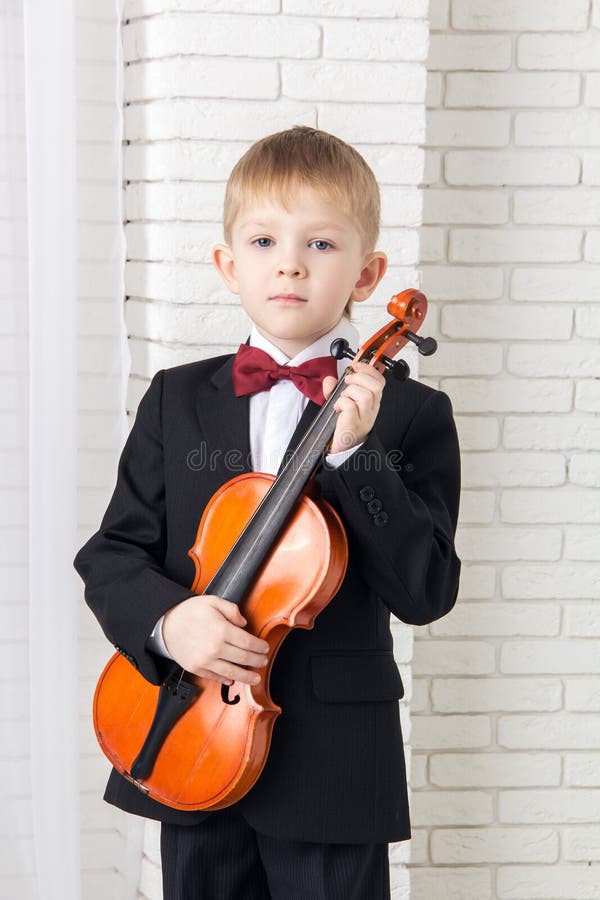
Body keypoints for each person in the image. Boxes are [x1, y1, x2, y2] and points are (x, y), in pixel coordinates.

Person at [73, 125, 462, 899]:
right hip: (187, 734)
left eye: (321, 244)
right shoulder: (176, 399)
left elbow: (425, 592)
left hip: (333, 767)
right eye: (263, 240)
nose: (288, 262)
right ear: (228, 265)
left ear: (367, 272)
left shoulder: (413, 414)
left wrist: (357, 456)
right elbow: (112, 554)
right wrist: (169, 623)